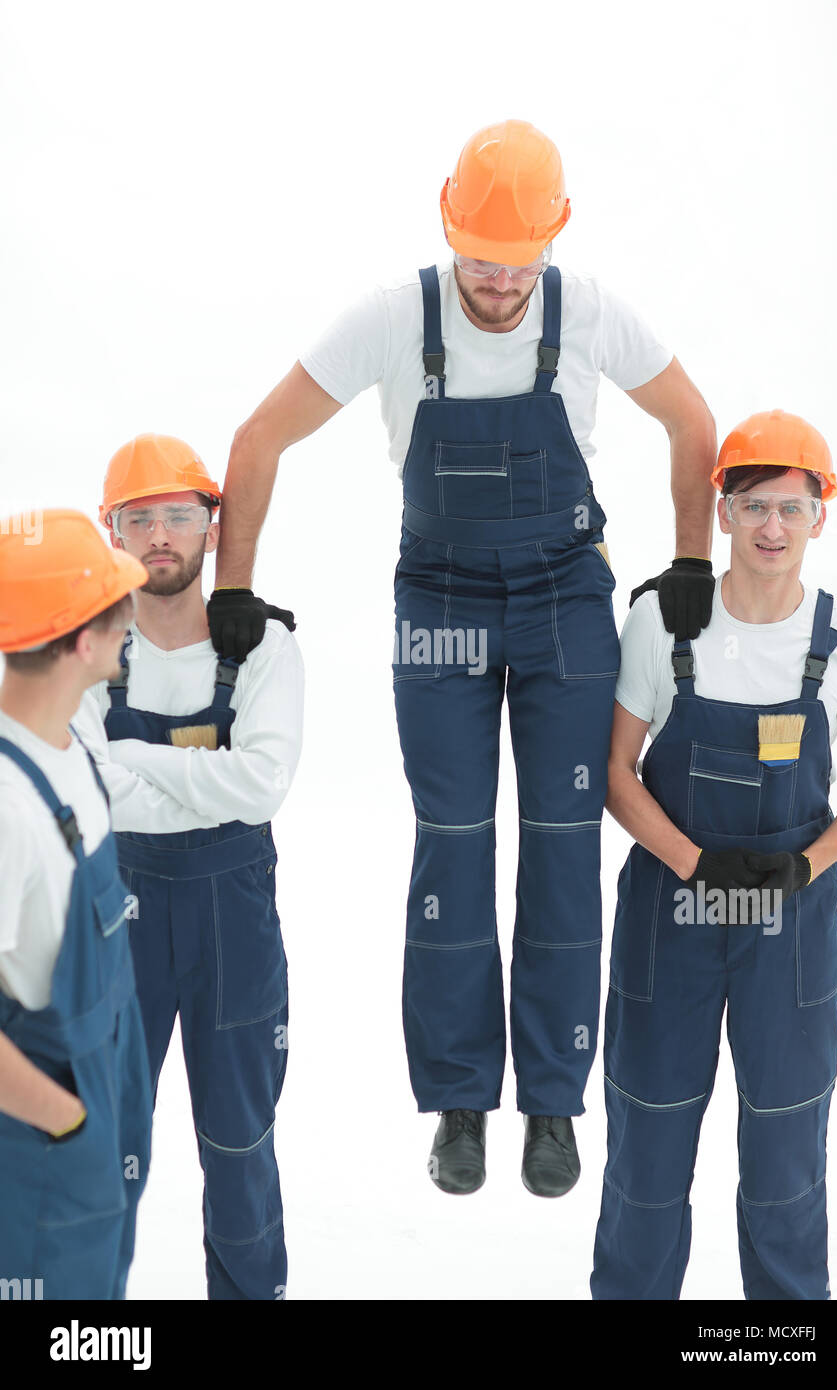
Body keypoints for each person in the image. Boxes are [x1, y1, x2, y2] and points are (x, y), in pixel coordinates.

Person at [207, 119, 718, 1197]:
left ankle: (549, 1105)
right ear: (447, 230)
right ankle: (456, 1102)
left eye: (513, 261)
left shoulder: (589, 315)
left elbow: (690, 421)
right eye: (476, 257)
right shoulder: (398, 318)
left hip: (562, 601)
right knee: (451, 843)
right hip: (438, 597)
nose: (494, 280)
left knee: (561, 842)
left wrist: (687, 561)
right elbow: (257, 439)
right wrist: (232, 589)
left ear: (554, 238)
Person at [591, 409, 837, 1299]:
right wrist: (691, 863)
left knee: (787, 1152)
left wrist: (811, 864)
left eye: (792, 506)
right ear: (722, 514)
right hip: (671, 917)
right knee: (649, 1147)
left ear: (821, 514)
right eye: (753, 507)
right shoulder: (662, 624)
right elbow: (615, 772)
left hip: (789, 925)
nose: (773, 528)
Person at [73, 433, 304, 1300]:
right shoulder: (86, 648)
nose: (161, 534)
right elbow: (86, 792)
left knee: (239, 1141)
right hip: (114, 914)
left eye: (179, 514)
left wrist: (138, 766)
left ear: (213, 524)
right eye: (142, 518)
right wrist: (213, 780)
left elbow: (265, 785)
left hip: (232, 921)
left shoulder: (266, 647)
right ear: (114, 534)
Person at [0, 509, 152, 1299]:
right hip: (43, 1125)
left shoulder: (71, 749)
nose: (135, 615)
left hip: (109, 1075)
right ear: (80, 641)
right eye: (117, 603)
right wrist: (67, 1120)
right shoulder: (7, 808)